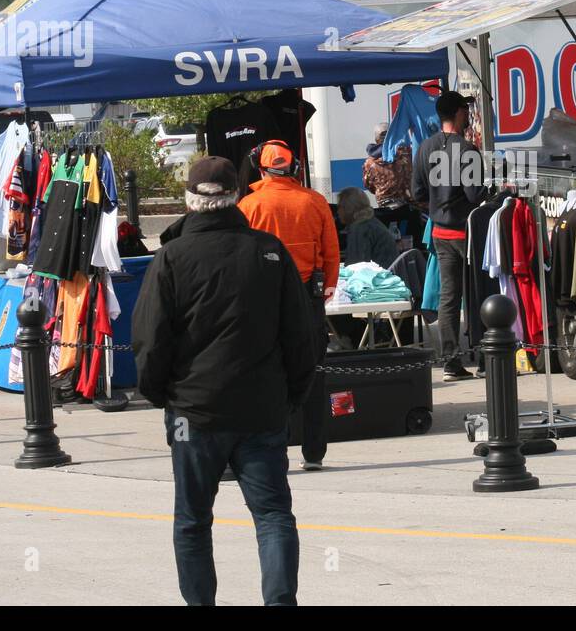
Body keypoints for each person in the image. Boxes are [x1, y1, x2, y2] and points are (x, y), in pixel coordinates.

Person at [132, 156, 318, 606]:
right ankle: (279, 602)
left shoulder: (173, 257)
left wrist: (162, 397)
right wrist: (289, 397)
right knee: (273, 515)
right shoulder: (268, 252)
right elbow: (301, 337)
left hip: (193, 413)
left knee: (193, 520)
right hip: (261, 409)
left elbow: (150, 340)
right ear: (237, 196)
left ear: (190, 201)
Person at [238, 140, 340, 470]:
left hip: (266, 301)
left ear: (261, 168)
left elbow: (241, 257)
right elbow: (332, 251)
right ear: (294, 167)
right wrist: (329, 286)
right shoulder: (315, 201)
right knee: (314, 374)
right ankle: (314, 453)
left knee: (270, 377)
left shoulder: (249, 206)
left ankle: (275, 450)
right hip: (309, 299)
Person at [412, 90, 487, 380]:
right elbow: (475, 194)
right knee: (479, 293)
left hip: (439, 233)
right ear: (457, 113)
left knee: (449, 298)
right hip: (466, 232)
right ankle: (485, 360)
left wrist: (437, 201)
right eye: (465, 110)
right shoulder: (467, 151)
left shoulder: (425, 148)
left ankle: (451, 364)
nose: (468, 115)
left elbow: (417, 192)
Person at [336, 186, 399, 269]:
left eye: (339, 207)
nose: (338, 212)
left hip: (377, 278)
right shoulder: (371, 222)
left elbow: (356, 266)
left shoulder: (359, 228)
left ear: (347, 208)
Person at [362, 123, 413, 208]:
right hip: (408, 206)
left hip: (385, 207)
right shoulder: (407, 153)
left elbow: (369, 186)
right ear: (394, 136)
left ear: (376, 139)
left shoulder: (369, 163)